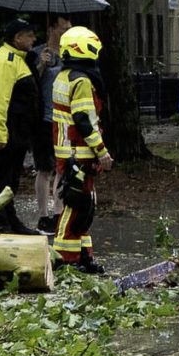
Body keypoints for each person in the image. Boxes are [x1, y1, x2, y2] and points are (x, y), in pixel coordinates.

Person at [52, 25, 114, 273]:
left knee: (84, 207)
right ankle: (65, 258)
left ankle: (83, 256)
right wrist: (102, 152)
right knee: (75, 206)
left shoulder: (63, 77)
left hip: (67, 152)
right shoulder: (82, 81)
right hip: (78, 153)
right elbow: (84, 120)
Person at [0, 18, 45, 235]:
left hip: (19, 130)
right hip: (9, 130)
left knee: (10, 178)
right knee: (0, 177)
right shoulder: (7, 60)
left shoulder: (20, 59)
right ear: (17, 38)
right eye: (29, 35)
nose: (33, 39)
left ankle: (9, 219)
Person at [28, 14, 72, 232]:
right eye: (63, 29)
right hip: (44, 119)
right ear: (51, 29)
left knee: (62, 168)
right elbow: (29, 83)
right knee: (44, 168)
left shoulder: (69, 55)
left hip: (64, 119)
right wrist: (41, 66)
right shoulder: (38, 54)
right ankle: (43, 215)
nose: (66, 33)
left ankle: (58, 211)